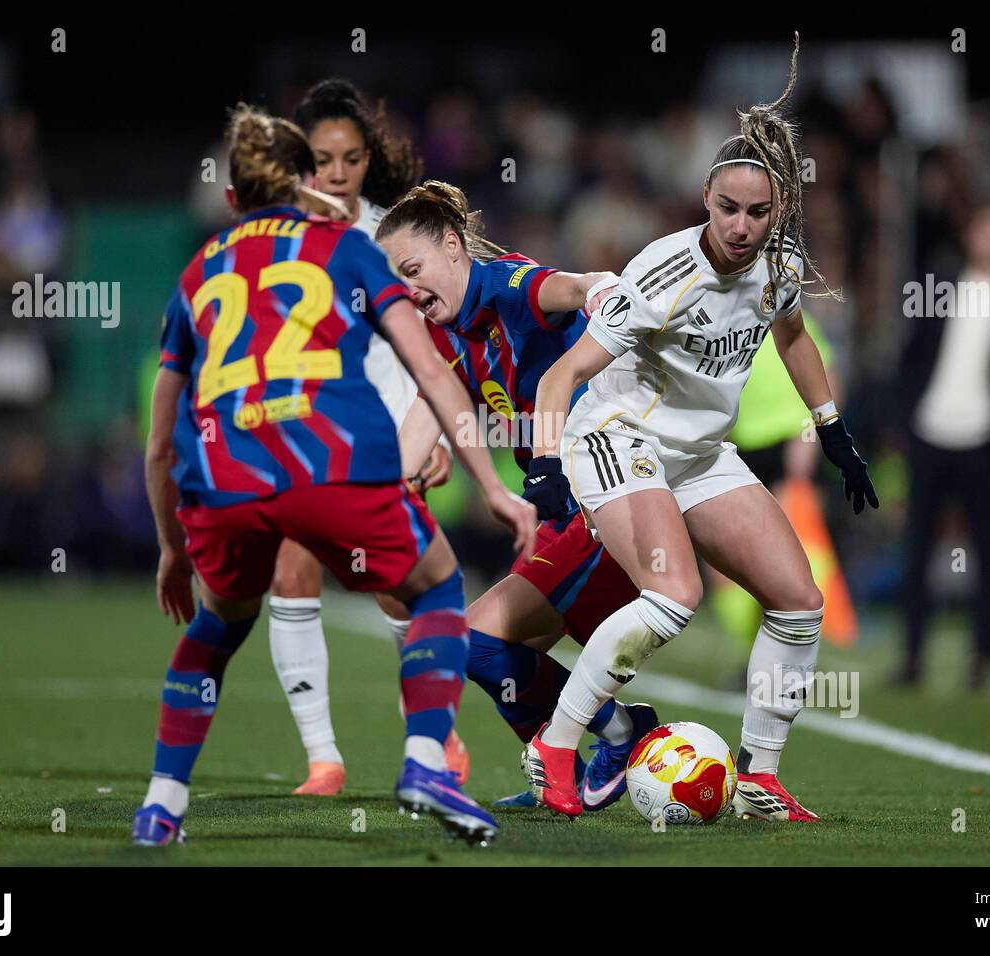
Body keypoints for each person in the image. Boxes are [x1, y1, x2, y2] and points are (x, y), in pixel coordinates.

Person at [133, 105, 536, 847]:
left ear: (232, 199)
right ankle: (426, 760)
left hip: (224, 478)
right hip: (333, 465)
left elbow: (159, 444)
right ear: (305, 186)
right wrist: (492, 486)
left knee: (216, 627)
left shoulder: (197, 272)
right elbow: (433, 371)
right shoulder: (347, 248)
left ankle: (161, 804)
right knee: (437, 587)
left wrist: (169, 548)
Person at [521, 36, 878, 821]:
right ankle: (556, 744)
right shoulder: (662, 274)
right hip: (619, 437)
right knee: (675, 594)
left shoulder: (780, 264)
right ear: (705, 200)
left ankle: (758, 778)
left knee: (798, 601)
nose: (741, 226)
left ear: (778, 210)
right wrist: (545, 465)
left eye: (758, 212)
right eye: (728, 209)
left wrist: (832, 429)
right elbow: (561, 376)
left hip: (698, 451)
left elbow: (793, 336)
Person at [377, 181, 660, 812]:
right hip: (559, 512)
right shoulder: (446, 334)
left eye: (413, 271)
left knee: (471, 640)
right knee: (508, 653)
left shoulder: (507, 286)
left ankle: (622, 732)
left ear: (453, 247)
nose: (409, 290)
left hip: (601, 494)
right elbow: (429, 410)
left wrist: (600, 287)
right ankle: (559, 773)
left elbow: (575, 286)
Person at [265, 79, 463, 798]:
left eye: (350, 158)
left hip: (386, 436)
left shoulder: (391, 238)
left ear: (367, 158)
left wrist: (435, 434)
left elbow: (432, 342)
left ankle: (434, 730)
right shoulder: (274, 243)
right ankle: (323, 760)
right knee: (290, 575)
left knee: (396, 591)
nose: (338, 172)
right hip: (302, 435)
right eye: (322, 160)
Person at [896, 202, 990, 689]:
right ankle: (912, 657)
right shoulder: (940, 284)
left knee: (987, 552)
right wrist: (900, 422)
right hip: (929, 431)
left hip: (985, 441)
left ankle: (982, 659)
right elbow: (910, 357)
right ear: (971, 235)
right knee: (917, 548)